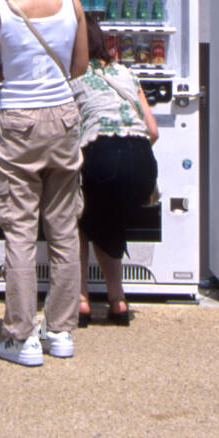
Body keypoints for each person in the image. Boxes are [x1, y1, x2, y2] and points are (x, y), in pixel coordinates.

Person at [0, 0, 89, 366]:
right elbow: (78, 67)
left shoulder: (0, 11)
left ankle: (21, 338)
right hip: (63, 118)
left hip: (18, 122)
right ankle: (60, 332)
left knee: (21, 231)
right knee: (63, 228)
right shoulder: (72, 5)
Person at [72, 16, 158, 326]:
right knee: (108, 216)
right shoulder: (126, 72)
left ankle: (80, 299)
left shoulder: (72, 75)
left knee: (76, 215)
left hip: (102, 154)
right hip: (142, 163)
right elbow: (153, 130)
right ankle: (117, 300)